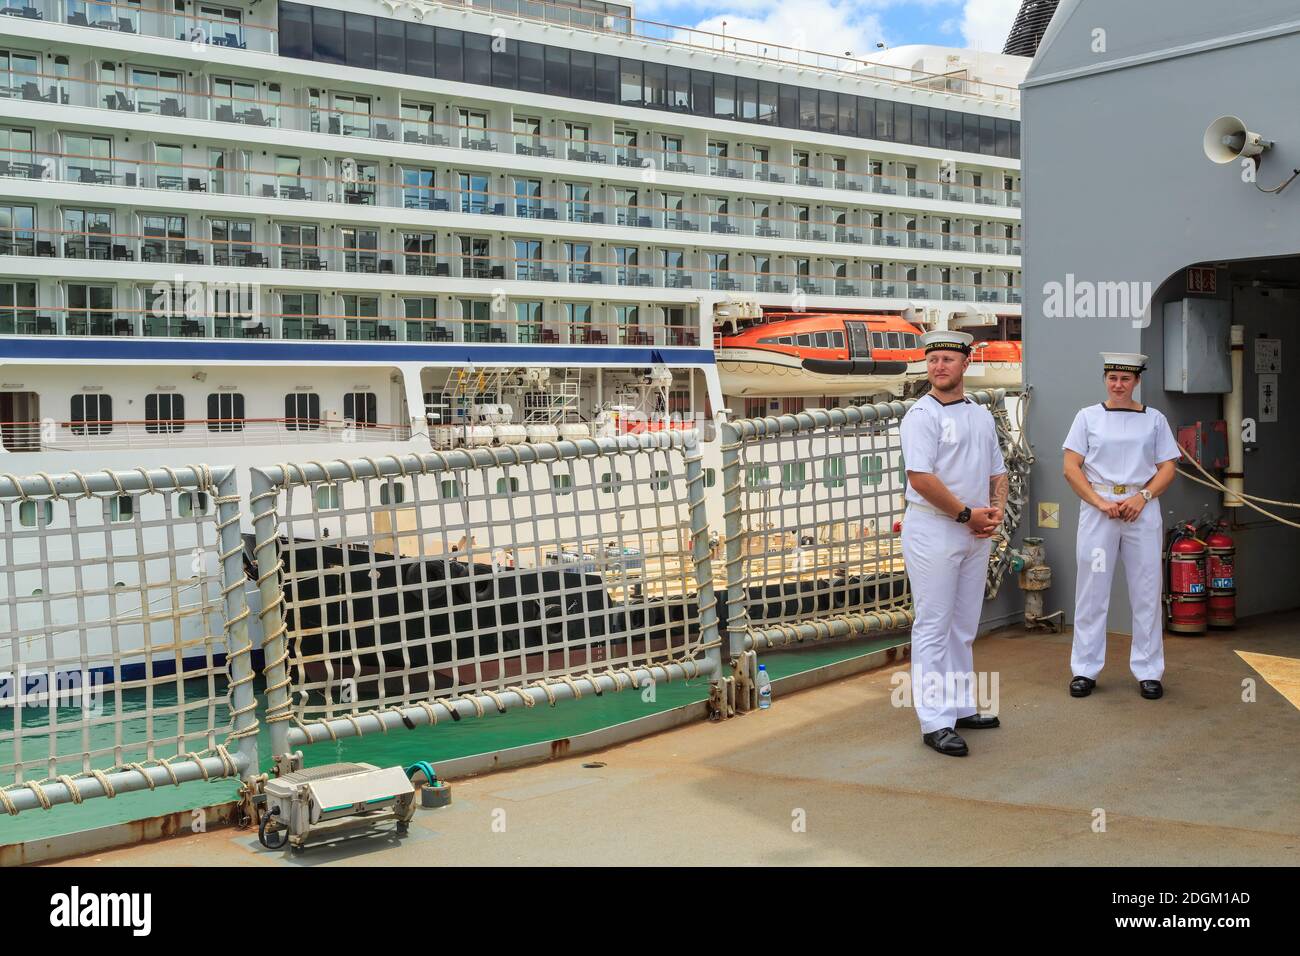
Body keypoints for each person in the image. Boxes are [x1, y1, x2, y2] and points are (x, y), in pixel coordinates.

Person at [900, 330, 1008, 756]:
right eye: (933, 360)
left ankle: (961, 707)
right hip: (935, 529)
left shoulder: (980, 415)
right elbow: (920, 478)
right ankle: (934, 720)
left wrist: (993, 515)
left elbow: (998, 472)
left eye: (948, 359)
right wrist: (966, 514)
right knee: (932, 625)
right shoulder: (920, 416)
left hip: (975, 530)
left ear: (966, 364)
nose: (939, 366)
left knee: (963, 627)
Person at [1062, 352, 1180, 700]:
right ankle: (1085, 669)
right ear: (1105, 379)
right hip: (1100, 510)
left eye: (1125, 379)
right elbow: (1071, 467)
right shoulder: (1087, 417)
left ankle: (1148, 670)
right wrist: (1099, 503)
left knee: (1146, 590)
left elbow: (1168, 468)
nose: (1118, 385)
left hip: (1140, 511)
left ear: (1137, 381)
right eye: (1112, 378)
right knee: (1092, 590)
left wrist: (1142, 497)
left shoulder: (1154, 420)